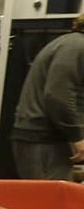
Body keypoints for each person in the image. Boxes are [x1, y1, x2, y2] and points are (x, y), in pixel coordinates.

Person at [11, 12, 84, 179]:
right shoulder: (76, 46)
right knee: (46, 201)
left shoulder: (73, 44)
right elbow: (58, 96)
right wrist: (77, 138)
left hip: (49, 138)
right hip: (43, 139)